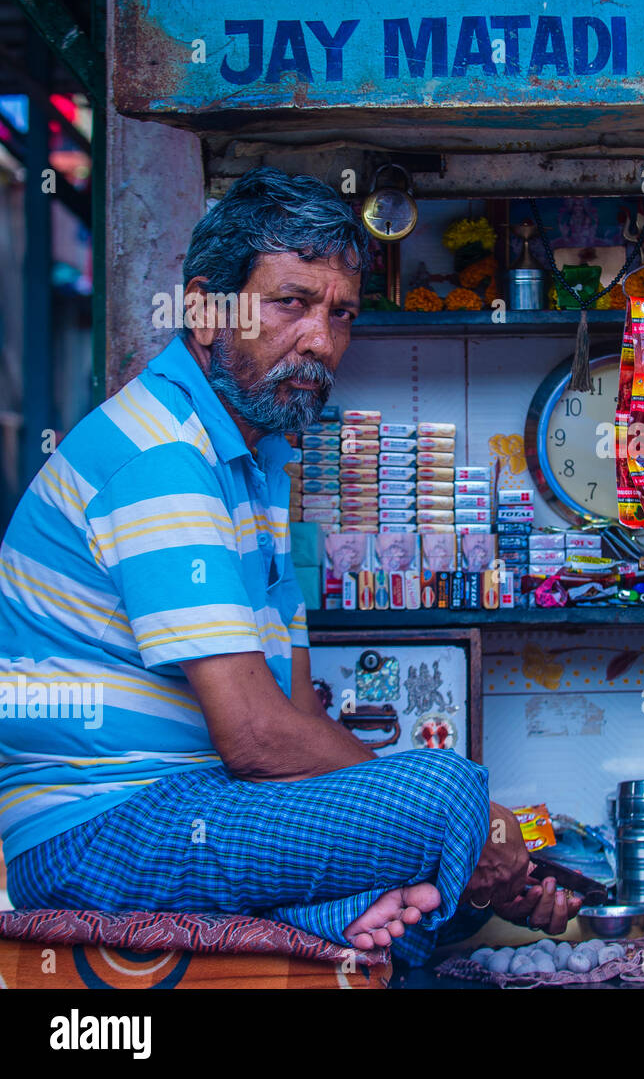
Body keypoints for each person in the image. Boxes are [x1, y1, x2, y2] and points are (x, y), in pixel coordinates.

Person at [0, 167, 581, 964]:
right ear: (204, 310)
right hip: (98, 833)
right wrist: (475, 830)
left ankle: (382, 906)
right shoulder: (163, 455)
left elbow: (296, 714)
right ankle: (448, 883)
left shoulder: (256, 463)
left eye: (340, 313)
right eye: (290, 303)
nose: (320, 340)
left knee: (438, 834)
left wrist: (480, 844)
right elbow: (254, 739)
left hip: (197, 806)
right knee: (446, 788)